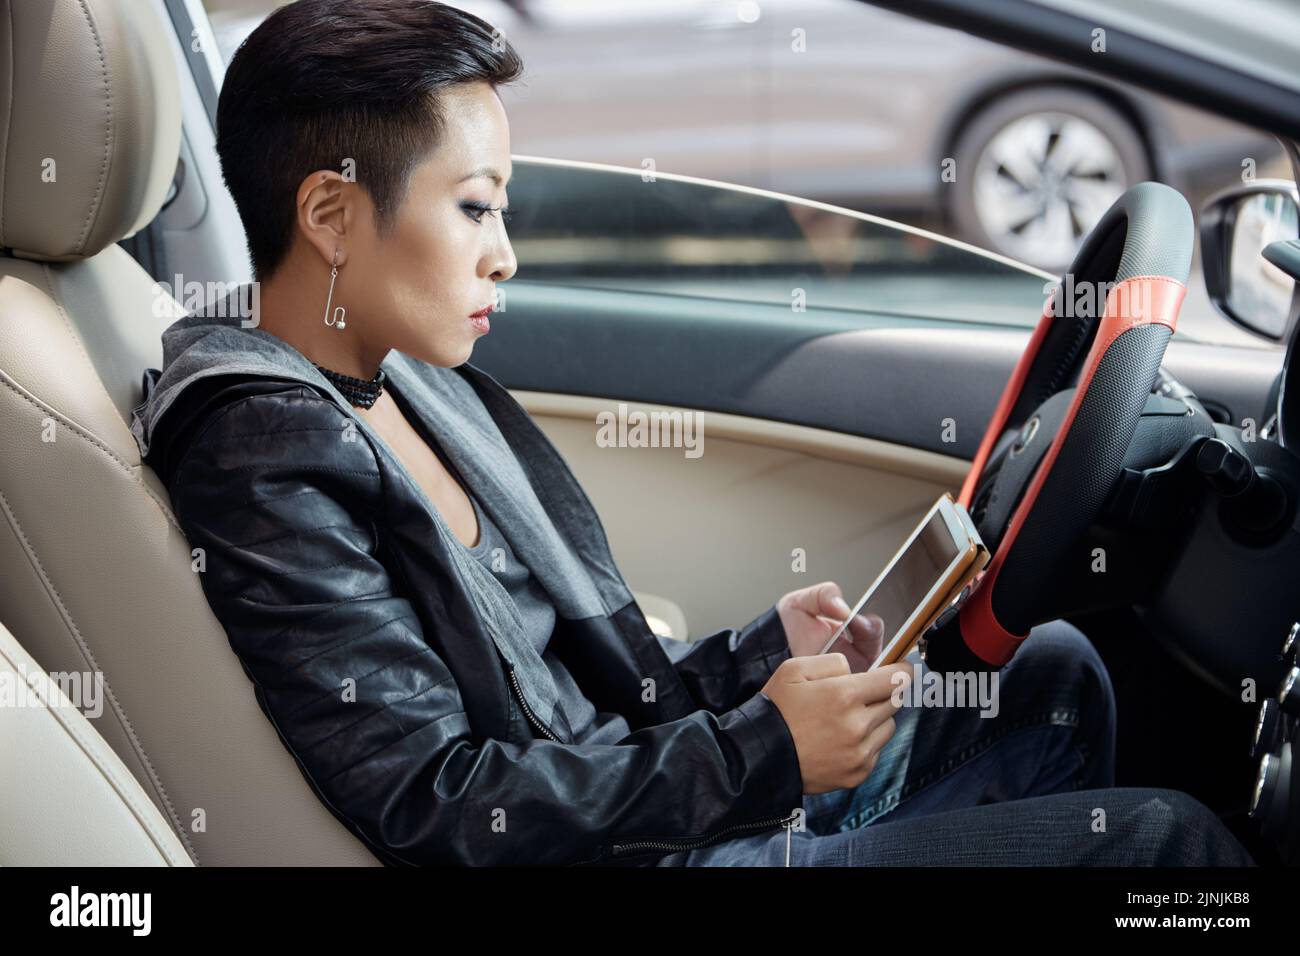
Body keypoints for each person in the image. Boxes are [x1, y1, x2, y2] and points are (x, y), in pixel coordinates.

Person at [132, 0, 1252, 867]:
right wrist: (766, 748)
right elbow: (439, 798)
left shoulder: (405, 381)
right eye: (474, 206)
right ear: (329, 216)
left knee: (1050, 674)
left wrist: (761, 654)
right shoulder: (262, 449)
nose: (504, 251)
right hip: (639, 848)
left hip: (653, 806)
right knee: (1161, 846)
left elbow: (571, 681)